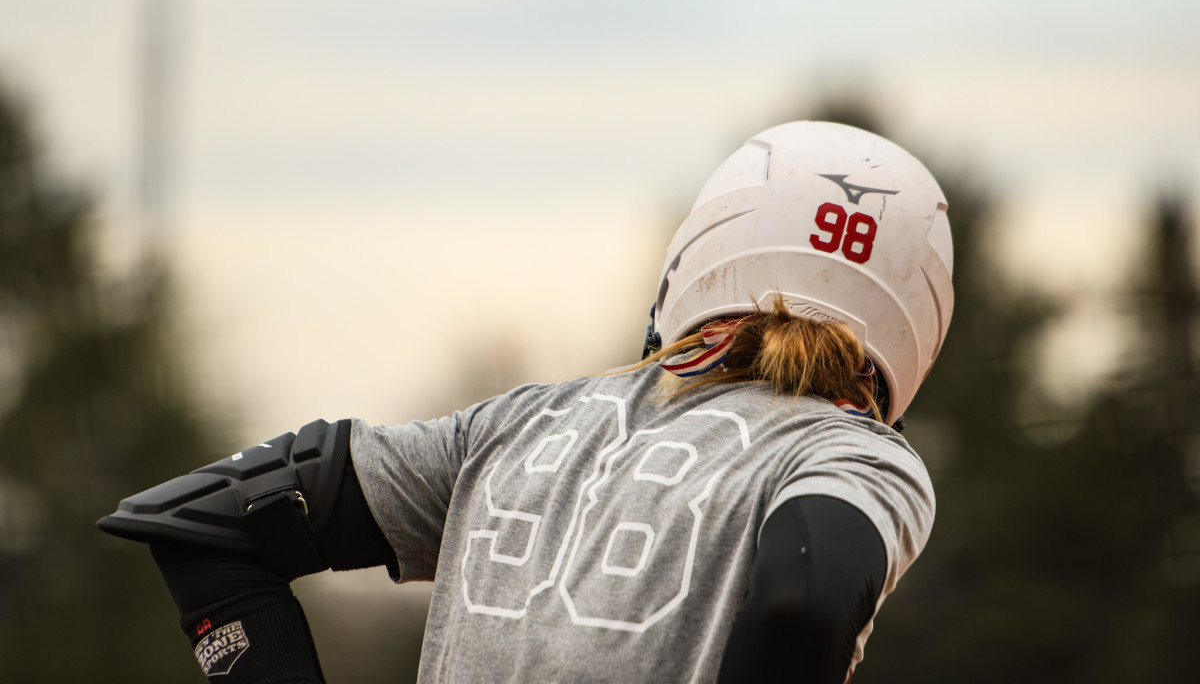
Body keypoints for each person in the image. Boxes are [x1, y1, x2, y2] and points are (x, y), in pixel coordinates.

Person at [99, 120, 954, 683]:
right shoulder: (852, 454)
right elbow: (804, 600)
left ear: (702, 254)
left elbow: (208, 522)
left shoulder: (514, 425)